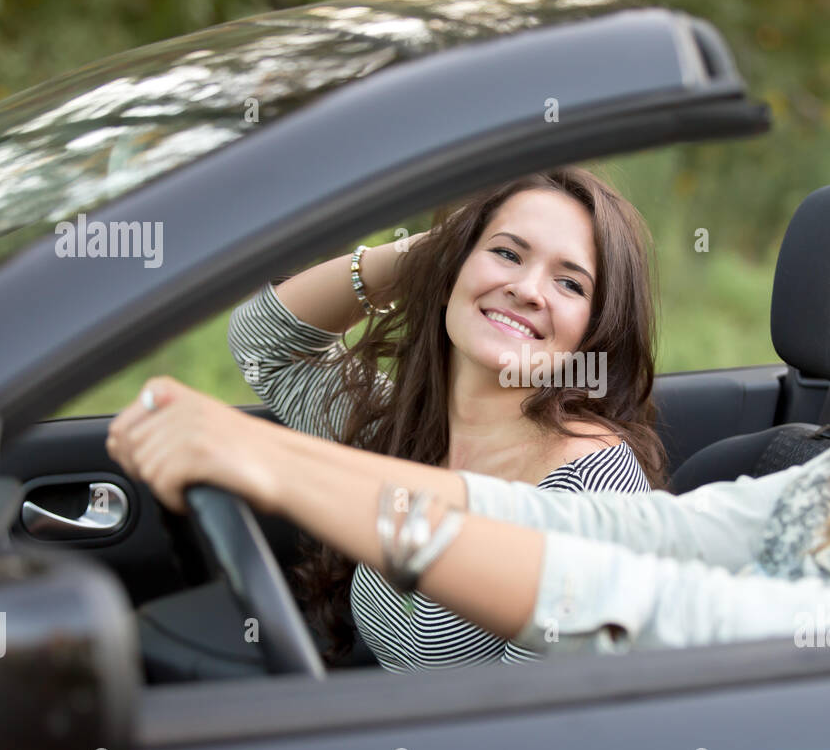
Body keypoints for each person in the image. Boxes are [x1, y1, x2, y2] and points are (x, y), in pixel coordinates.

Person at [107, 155, 830, 658]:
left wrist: (287, 470)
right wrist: (276, 460)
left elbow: (678, 614)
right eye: (502, 254)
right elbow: (642, 537)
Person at [221, 167, 664, 670]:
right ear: (452, 268)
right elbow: (263, 345)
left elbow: (535, 712)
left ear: (595, 329)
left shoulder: (590, 489)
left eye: (569, 283)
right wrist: (421, 255)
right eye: (507, 253)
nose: (527, 289)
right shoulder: (395, 432)